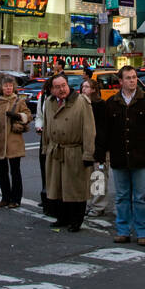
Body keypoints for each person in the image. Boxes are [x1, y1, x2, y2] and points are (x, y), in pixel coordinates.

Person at [96, 66, 145, 246]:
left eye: (134, 77)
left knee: (140, 197)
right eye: (128, 78)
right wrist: (100, 155)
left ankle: (143, 232)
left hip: (141, 157)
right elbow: (104, 132)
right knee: (122, 196)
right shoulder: (111, 103)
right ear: (121, 81)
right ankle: (123, 230)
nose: (132, 81)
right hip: (119, 157)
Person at [41, 72, 96, 232]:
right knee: (57, 186)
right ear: (51, 89)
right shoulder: (49, 102)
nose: (61, 89)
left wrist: (88, 154)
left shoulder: (81, 102)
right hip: (56, 150)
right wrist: (46, 148)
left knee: (75, 188)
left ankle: (76, 220)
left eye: (63, 86)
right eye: (57, 87)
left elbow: (89, 130)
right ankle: (61, 217)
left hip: (74, 150)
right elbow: (46, 127)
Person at [0, 73, 32, 208]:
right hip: (0, 142)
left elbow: (28, 116)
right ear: (0, 88)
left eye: (10, 86)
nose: (8, 88)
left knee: (15, 171)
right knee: (2, 172)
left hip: (14, 141)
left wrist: (18, 115)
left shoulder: (19, 102)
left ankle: (16, 199)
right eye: (5, 86)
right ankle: (5, 197)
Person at [81, 79, 112, 218]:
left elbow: (103, 129)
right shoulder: (81, 104)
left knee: (98, 177)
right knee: (88, 177)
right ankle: (89, 203)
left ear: (94, 89)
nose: (83, 89)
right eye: (83, 86)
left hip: (99, 147)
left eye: (87, 87)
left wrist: (102, 148)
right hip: (85, 146)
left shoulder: (100, 105)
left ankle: (98, 205)